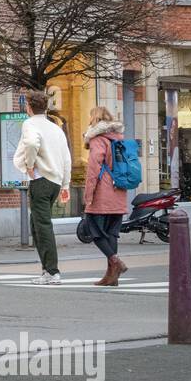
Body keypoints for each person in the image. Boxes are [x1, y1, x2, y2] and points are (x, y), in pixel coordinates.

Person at [12, 90, 72, 285]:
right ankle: (47, 270)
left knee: (42, 226)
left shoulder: (30, 124)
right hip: (55, 181)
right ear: (45, 107)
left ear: (29, 107)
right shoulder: (55, 128)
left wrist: (29, 166)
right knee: (36, 224)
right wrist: (65, 184)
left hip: (41, 180)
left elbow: (30, 143)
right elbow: (66, 158)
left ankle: (52, 272)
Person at [82, 106, 129, 286]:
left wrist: (88, 195)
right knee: (111, 234)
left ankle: (116, 262)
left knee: (93, 230)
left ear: (94, 120)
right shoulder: (119, 139)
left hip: (103, 193)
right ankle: (112, 277)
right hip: (120, 192)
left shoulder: (98, 140)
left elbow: (93, 169)